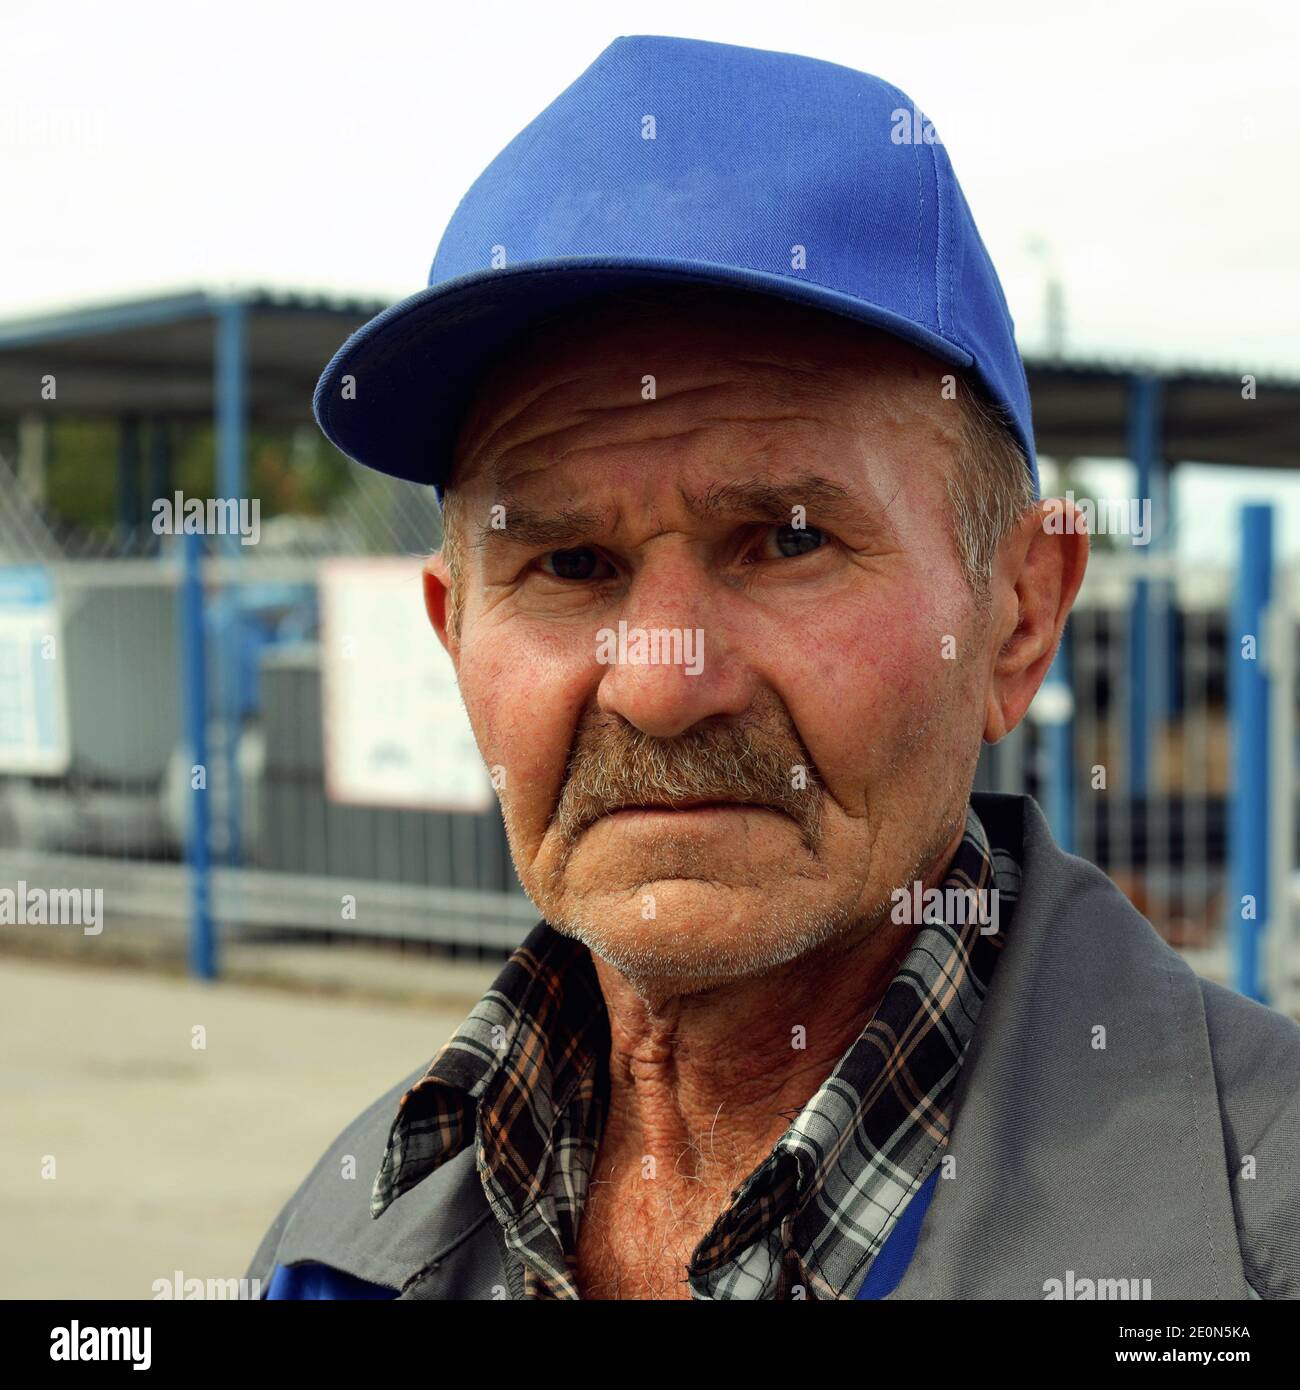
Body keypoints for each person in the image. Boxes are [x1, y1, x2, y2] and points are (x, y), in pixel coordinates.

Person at [248, 34, 1300, 1300]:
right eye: (570, 564)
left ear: (1017, 618)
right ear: (455, 632)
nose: (660, 683)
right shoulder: (342, 1236)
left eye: (787, 539)